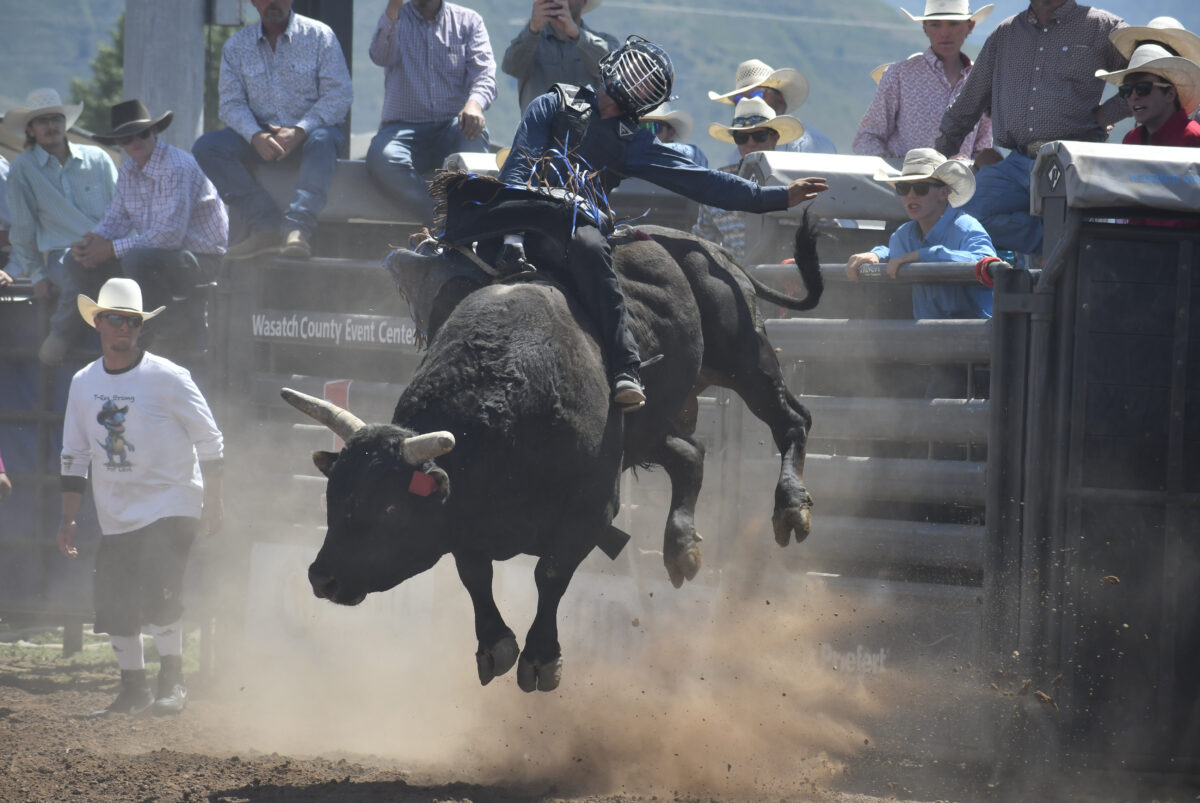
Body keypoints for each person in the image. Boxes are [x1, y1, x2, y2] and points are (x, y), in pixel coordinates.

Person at [447, 36, 828, 410]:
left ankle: (624, 363)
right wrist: (513, 231)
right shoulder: (554, 102)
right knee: (448, 261)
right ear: (615, 66)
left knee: (592, 247)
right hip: (519, 213)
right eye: (636, 70)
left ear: (649, 97)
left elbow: (700, 180)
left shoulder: (631, 141)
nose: (638, 80)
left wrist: (772, 197)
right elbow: (519, 166)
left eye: (648, 81)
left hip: (572, 228)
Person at [57, 277, 224, 716]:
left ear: (139, 327)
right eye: (114, 319)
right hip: (116, 510)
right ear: (98, 322)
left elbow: (210, 440)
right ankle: (133, 689)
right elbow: (73, 452)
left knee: (159, 587)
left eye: (131, 321)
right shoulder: (83, 383)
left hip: (173, 500)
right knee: (113, 598)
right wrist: (69, 516)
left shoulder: (169, 378)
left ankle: (173, 682)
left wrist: (214, 500)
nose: (123, 328)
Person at [935, 0, 1128, 257]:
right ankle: (1066, 242)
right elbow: (970, 99)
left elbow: (1149, 71)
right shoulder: (1006, 33)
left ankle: (1062, 243)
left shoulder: (1103, 27)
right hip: (1018, 161)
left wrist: (1108, 113)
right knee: (964, 214)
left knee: (975, 216)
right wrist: (936, 160)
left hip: (1072, 161)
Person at [193, 0, 352, 261]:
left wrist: (300, 130)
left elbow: (340, 95)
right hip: (261, 136)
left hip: (312, 133)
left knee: (325, 138)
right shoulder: (236, 46)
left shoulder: (320, 35)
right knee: (207, 147)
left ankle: (297, 229)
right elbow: (231, 104)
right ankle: (265, 224)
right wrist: (256, 135)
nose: (273, 2)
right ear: (254, 2)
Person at [69, 100, 228, 350]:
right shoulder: (129, 171)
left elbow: (168, 237)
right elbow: (115, 219)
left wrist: (109, 249)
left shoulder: (176, 166)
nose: (135, 141)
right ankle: (121, 327)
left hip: (203, 260)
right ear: (118, 143)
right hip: (167, 258)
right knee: (74, 260)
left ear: (154, 132)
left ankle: (168, 332)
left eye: (141, 133)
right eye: (126, 137)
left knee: (136, 259)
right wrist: (90, 244)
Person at [3, 88, 118, 364]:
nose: (51, 126)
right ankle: (62, 336)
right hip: (61, 253)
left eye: (56, 118)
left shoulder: (98, 158)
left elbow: (121, 208)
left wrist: (111, 245)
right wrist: (37, 275)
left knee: (135, 278)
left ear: (65, 123)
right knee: (75, 271)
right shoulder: (23, 168)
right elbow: (22, 228)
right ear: (31, 129)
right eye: (43, 121)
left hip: (105, 247)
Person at [366, 0, 497, 226]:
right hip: (402, 131)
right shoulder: (396, 18)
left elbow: (484, 74)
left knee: (475, 135)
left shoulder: (469, 21)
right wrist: (392, 11)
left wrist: (474, 103)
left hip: (451, 126)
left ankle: (472, 216)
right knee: (383, 156)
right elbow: (379, 56)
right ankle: (443, 219)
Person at [844, 148, 994, 322]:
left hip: (975, 338)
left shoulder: (967, 227)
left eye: (921, 188)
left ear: (943, 193)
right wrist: (877, 255)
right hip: (929, 337)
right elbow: (897, 256)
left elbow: (988, 263)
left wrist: (922, 255)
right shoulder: (904, 235)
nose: (911, 195)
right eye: (903, 188)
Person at [853, 0, 994, 160]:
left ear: (970, 26)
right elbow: (867, 137)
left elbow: (982, 148)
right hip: (907, 182)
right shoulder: (899, 75)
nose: (944, 33)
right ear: (925, 28)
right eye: (935, 25)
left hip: (962, 183)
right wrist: (894, 168)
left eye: (953, 24)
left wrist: (973, 169)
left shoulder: (981, 82)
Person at [692, 96, 804, 261]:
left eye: (759, 135)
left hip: (791, 279)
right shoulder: (717, 184)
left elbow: (826, 234)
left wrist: (802, 261)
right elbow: (702, 241)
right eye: (742, 137)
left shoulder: (799, 182)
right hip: (735, 280)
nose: (751, 143)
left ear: (775, 137)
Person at [502, 0, 618, 112]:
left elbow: (613, 69)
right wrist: (532, 30)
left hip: (588, 130)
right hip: (539, 130)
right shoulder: (530, 42)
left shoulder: (605, 41)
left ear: (584, 2)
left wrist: (577, 35)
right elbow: (511, 68)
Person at [708, 59, 838, 154]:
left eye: (757, 94)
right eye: (739, 99)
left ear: (779, 96)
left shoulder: (813, 144)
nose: (748, 102)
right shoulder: (738, 153)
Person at [1097, 43, 1200, 146]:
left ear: (1170, 93)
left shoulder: (1194, 138)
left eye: (1143, 88)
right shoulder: (1131, 139)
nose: (1133, 96)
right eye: (1126, 90)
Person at [640, 102, 708, 167]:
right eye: (641, 127)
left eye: (654, 127)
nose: (647, 134)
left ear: (671, 133)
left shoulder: (690, 157)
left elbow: (695, 155)